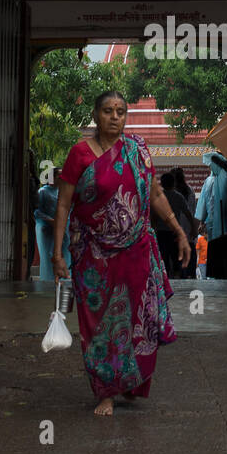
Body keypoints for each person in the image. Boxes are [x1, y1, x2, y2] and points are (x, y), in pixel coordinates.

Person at [52, 90, 189, 417]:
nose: (115, 117)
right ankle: (106, 391)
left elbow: (155, 193)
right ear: (95, 115)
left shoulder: (137, 150)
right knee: (98, 322)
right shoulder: (80, 154)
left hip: (136, 249)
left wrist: (180, 230)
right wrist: (57, 253)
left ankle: (130, 380)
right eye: (108, 111)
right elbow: (64, 204)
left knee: (135, 318)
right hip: (93, 255)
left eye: (120, 111)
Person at [195, 153, 227, 279]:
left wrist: (202, 221)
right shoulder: (225, 177)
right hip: (225, 222)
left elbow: (202, 204)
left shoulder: (214, 180)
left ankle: (217, 273)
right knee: (224, 250)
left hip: (216, 223)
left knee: (216, 249)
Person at [155, 171, 195, 279]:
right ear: (173, 183)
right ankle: (177, 276)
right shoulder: (178, 197)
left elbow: (154, 216)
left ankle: (165, 277)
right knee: (175, 255)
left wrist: (153, 228)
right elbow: (188, 214)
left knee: (163, 257)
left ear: (162, 184)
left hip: (161, 232)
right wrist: (193, 228)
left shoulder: (159, 197)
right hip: (174, 232)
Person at [34, 174, 71, 282]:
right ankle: (47, 281)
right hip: (46, 229)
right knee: (47, 255)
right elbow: (37, 211)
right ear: (52, 178)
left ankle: (66, 279)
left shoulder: (65, 191)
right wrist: (50, 221)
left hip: (63, 229)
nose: (62, 178)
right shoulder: (43, 191)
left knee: (66, 253)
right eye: (59, 176)